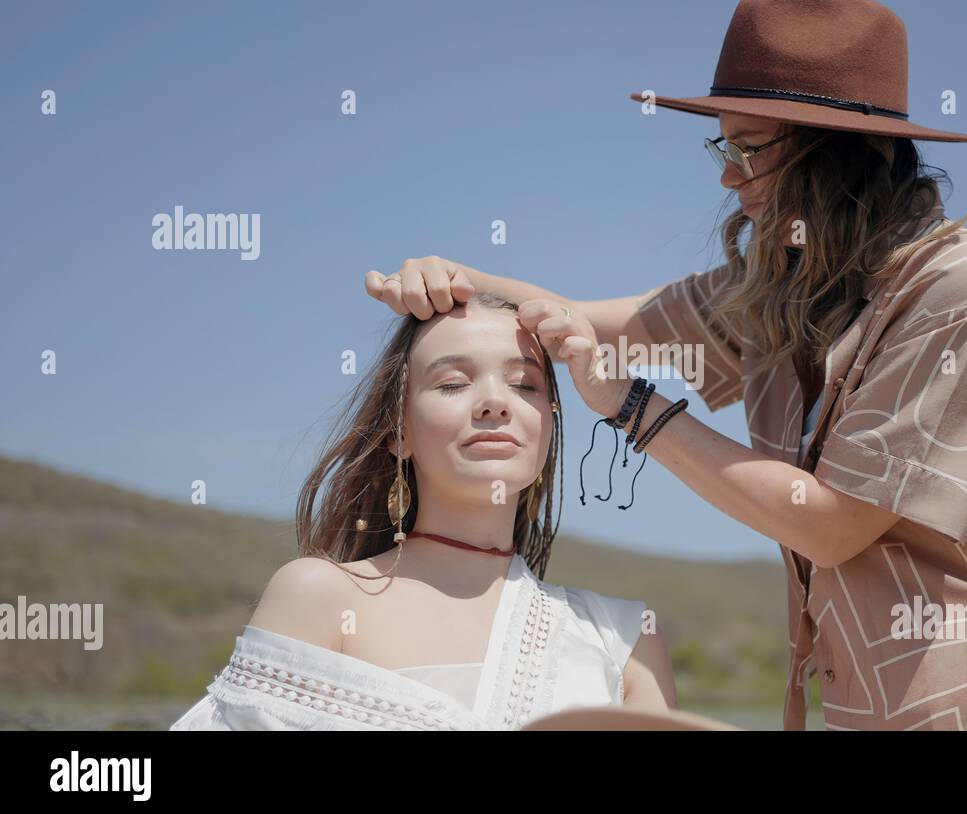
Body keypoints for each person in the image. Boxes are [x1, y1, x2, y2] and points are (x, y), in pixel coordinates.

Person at [365, 0, 967, 731]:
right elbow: (585, 317)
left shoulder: (958, 290)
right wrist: (452, 277)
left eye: (749, 148)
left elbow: (833, 523)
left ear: (835, 156)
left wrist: (635, 407)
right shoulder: (780, 284)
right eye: (723, 144)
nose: (726, 175)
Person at [170, 292, 677, 730]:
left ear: (548, 427)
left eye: (525, 385)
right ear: (398, 433)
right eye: (454, 383)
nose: (495, 403)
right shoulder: (319, 595)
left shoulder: (624, 638)